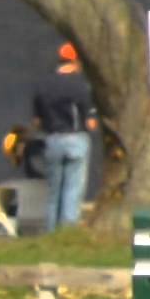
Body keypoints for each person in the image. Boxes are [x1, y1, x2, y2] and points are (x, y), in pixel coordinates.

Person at [32, 41, 97, 231]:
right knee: (72, 191)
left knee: (54, 193)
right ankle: (67, 234)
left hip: (53, 140)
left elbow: (37, 121)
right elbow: (90, 123)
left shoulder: (44, 85)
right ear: (76, 61)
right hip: (75, 139)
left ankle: (51, 233)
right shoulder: (81, 85)